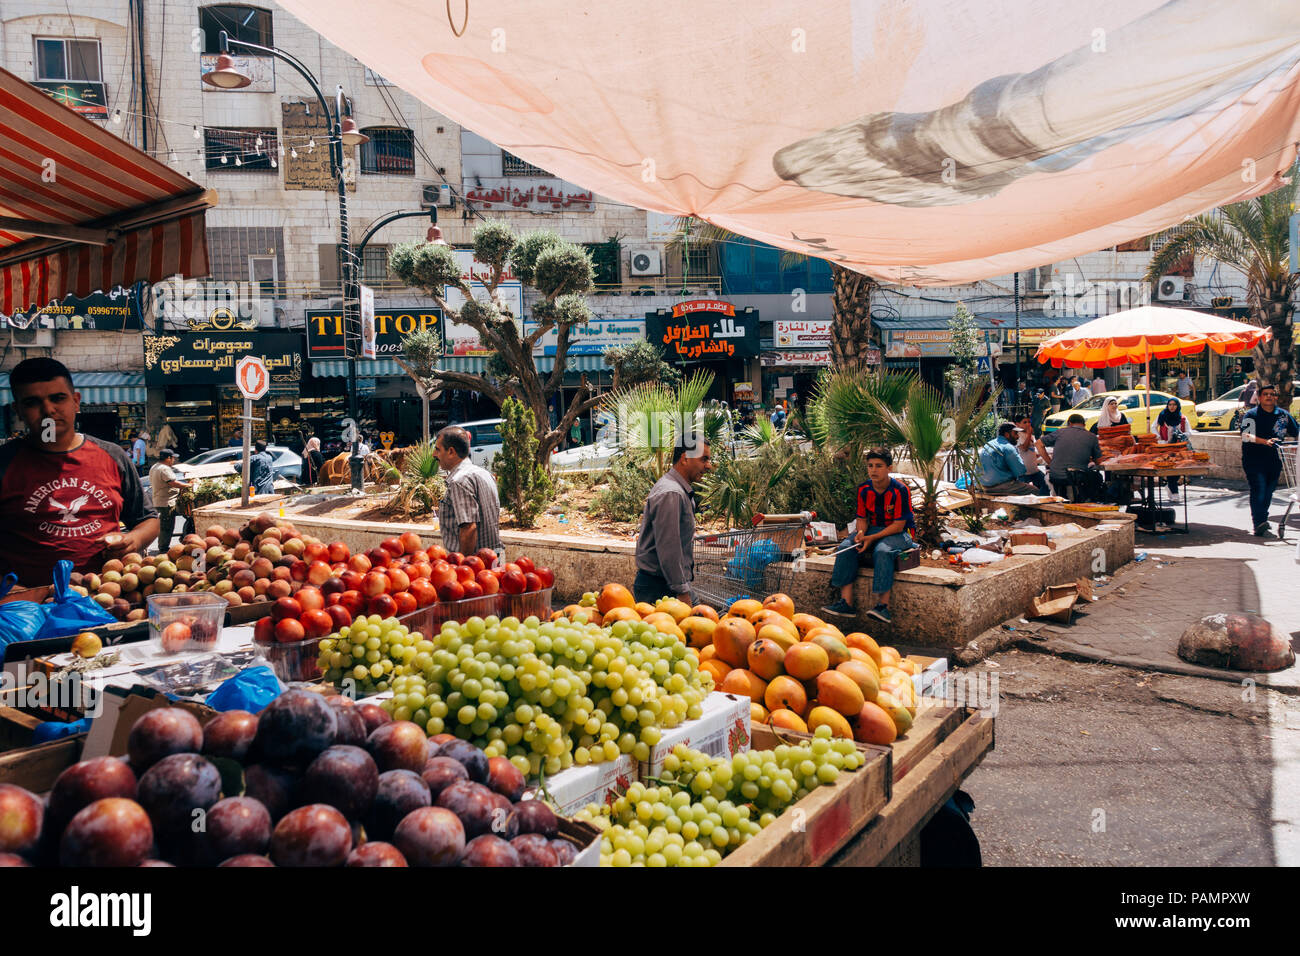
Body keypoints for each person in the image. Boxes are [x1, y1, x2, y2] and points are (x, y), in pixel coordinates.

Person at [0, 357, 159, 584]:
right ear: (18, 410)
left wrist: (132, 540)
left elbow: (148, 519)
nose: (48, 410)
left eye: (58, 398)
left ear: (76, 401)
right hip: (26, 608)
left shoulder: (113, 456)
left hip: (106, 599)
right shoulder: (5, 463)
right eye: (32, 402)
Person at [821, 447, 916, 625]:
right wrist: (862, 534)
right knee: (845, 547)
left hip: (900, 533)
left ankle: (883, 606)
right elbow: (861, 518)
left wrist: (872, 539)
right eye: (870, 466)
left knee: (882, 551)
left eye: (879, 466)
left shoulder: (900, 490)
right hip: (873, 529)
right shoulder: (864, 489)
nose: (873, 470)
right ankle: (846, 603)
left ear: (889, 468)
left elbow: (898, 525)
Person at [633, 439, 713, 605]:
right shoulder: (672, 493)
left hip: (667, 584)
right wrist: (681, 591)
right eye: (703, 459)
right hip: (660, 588)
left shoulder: (677, 490)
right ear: (685, 459)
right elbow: (669, 547)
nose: (709, 466)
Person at [432, 426, 502, 556]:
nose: (434, 454)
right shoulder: (484, 473)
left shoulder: (459, 481)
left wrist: (464, 566)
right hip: (494, 557)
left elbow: (469, 528)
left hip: (475, 563)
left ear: (451, 452)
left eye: (437, 449)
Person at [1240, 384, 1299, 537]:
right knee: (1259, 488)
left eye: (1272, 394)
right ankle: (1259, 522)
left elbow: (1296, 432)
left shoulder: (1283, 415)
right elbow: (1246, 436)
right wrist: (1265, 441)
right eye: (1266, 394)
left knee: (1269, 491)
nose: (1269, 397)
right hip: (1253, 459)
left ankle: (1262, 520)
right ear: (1259, 397)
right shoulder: (1251, 415)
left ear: (1276, 398)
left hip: (1274, 459)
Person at [1042, 413, 1105, 499]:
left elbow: (1038, 444)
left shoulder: (1060, 432)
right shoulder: (1091, 436)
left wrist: (1050, 463)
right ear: (1084, 424)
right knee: (1098, 477)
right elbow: (1098, 461)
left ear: (1069, 423)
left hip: (1055, 476)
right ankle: (1087, 500)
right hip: (1076, 478)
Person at [149, 449, 191, 555]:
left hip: (159, 500)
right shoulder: (164, 469)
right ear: (168, 458)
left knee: (164, 526)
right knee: (166, 527)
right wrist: (189, 485)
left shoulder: (155, 466)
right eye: (173, 458)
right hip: (166, 502)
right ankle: (163, 549)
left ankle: (164, 546)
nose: (174, 460)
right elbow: (173, 483)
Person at [977, 422, 1037, 495]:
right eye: (1015, 433)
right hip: (997, 486)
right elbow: (1020, 471)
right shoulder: (1008, 447)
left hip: (982, 485)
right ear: (1007, 434)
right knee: (1034, 490)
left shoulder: (989, 444)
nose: (1018, 437)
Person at [1156, 398, 1193, 495]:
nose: (1172, 407)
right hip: (1166, 447)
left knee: (1177, 469)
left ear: (1178, 406)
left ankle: (1170, 486)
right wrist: (1159, 437)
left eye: (1174, 405)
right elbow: (1153, 427)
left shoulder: (1182, 418)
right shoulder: (1162, 416)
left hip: (1179, 448)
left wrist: (1181, 435)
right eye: (1170, 405)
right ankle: (1174, 491)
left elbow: (1190, 432)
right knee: (1169, 468)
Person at [1015, 413, 1052, 494]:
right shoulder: (1018, 435)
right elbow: (1024, 448)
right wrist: (1028, 434)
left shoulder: (1031, 436)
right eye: (1025, 422)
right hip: (1024, 473)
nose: (1028, 424)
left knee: (1046, 485)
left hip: (1034, 470)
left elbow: (1032, 451)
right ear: (1017, 424)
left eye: (1029, 422)